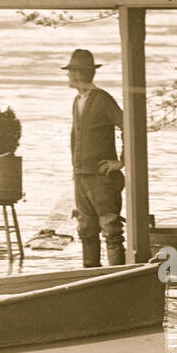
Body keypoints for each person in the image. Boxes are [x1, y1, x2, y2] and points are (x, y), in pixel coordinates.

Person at [63, 48, 126, 266]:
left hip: (102, 178)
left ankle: (118, 279)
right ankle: (90, 276)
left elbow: (127, 124)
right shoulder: (77, 100)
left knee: (111, 229)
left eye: (71, 71)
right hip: (81, 176)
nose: (68, 75)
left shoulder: (102, 99)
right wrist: (75, 170)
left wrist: (121, 161)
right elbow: (75, 136)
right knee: (86, 229)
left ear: (80, 73)